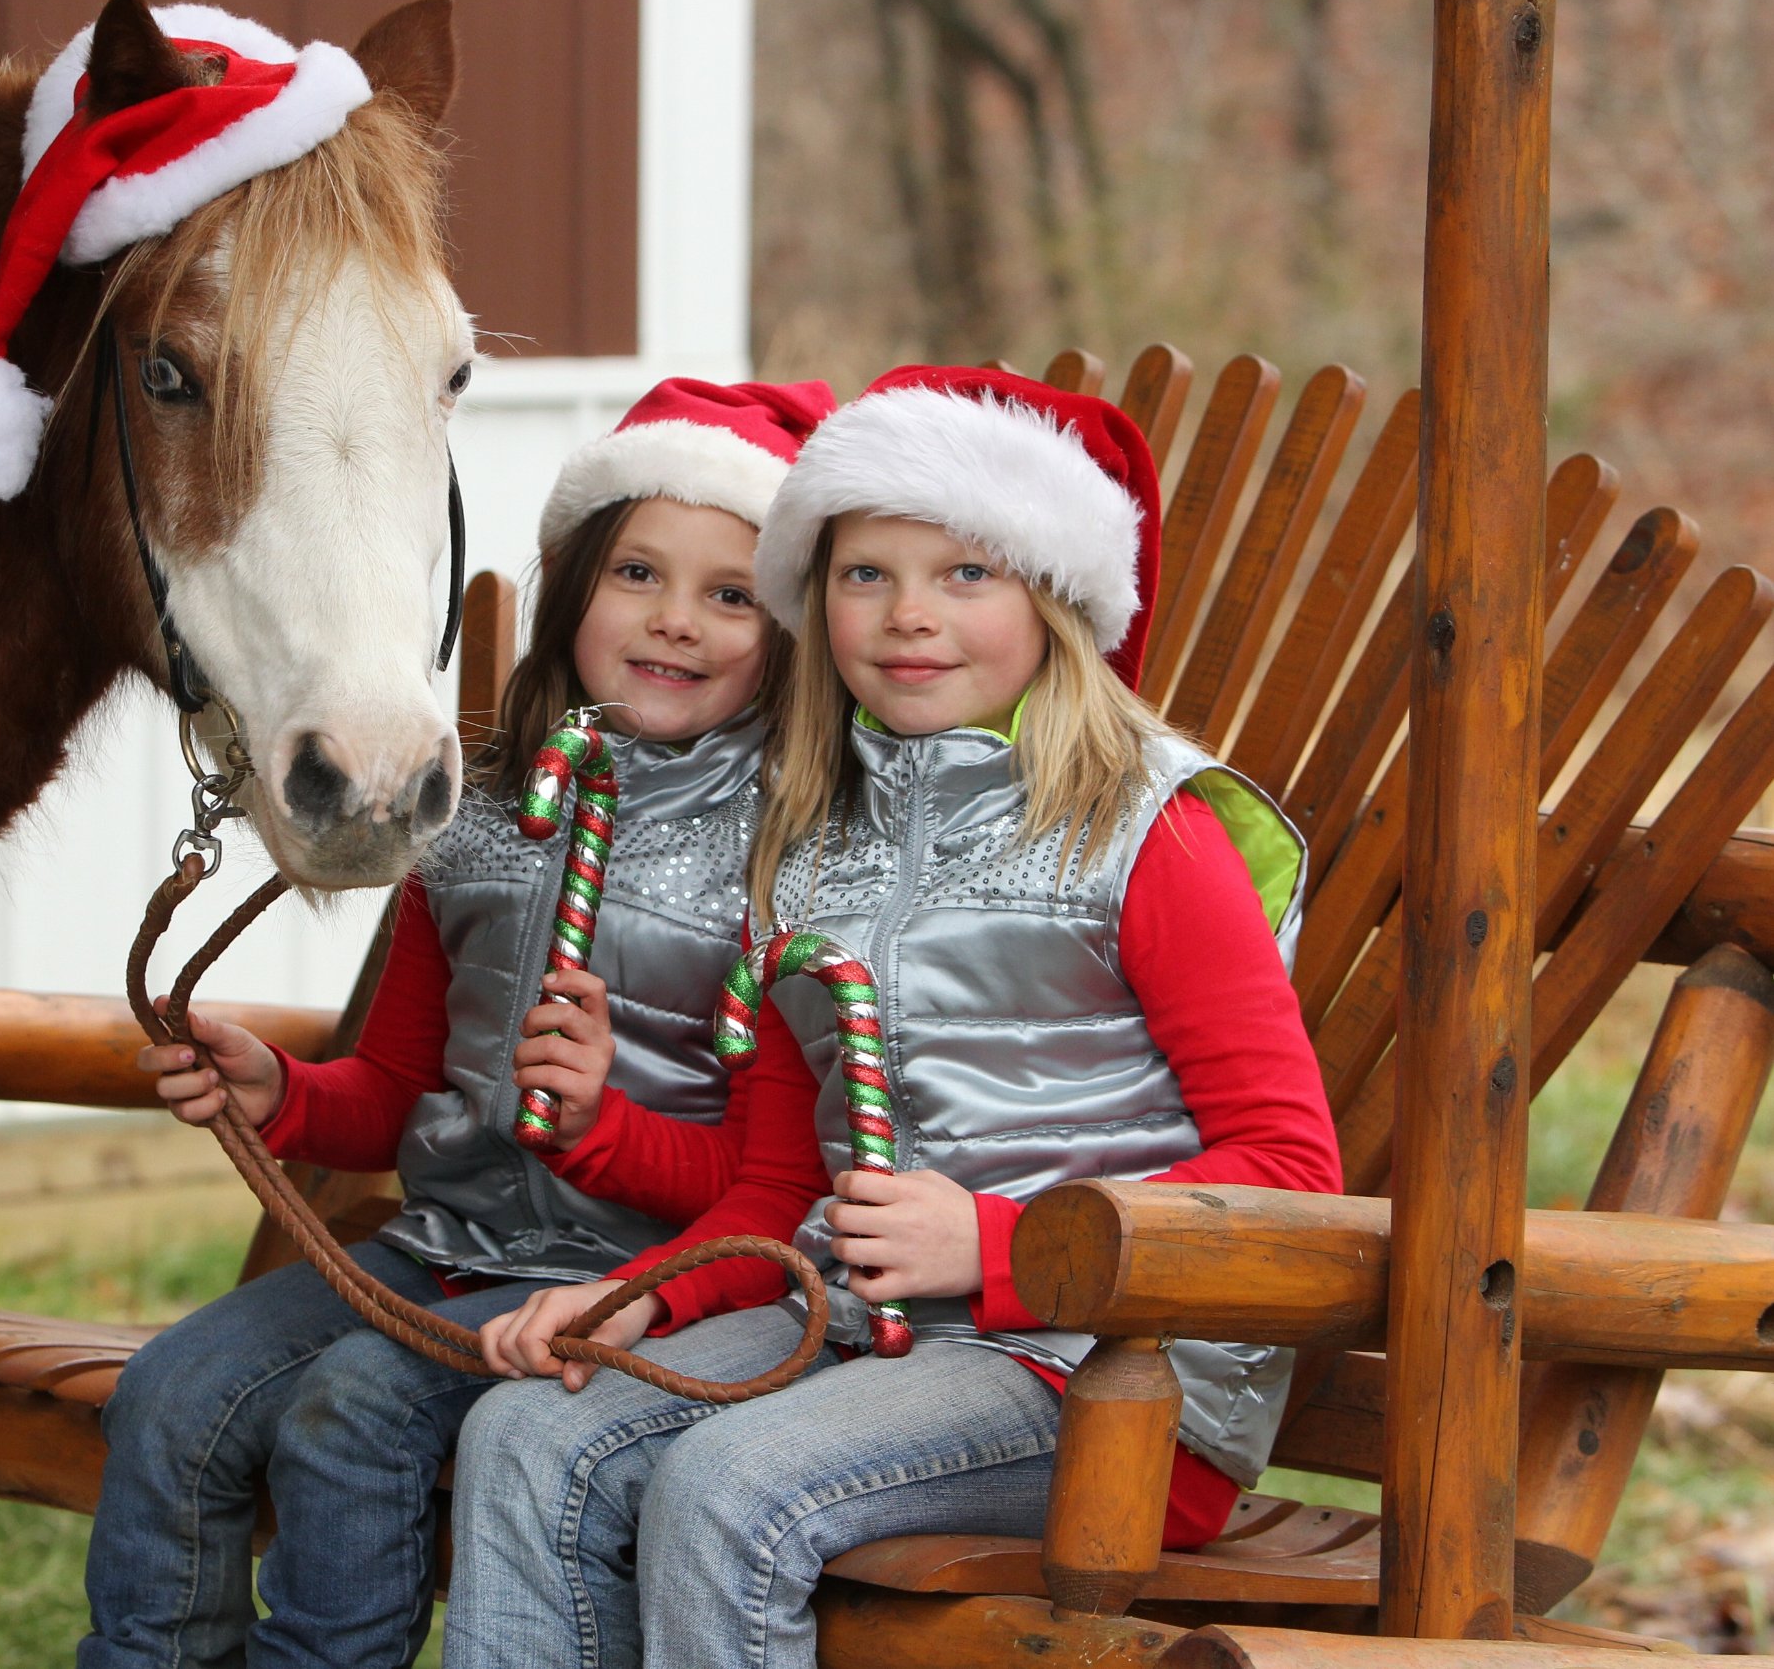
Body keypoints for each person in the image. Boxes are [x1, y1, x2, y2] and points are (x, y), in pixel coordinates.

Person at [444, 367, 1345, 1669]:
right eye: (867, 574)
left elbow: (1290, 1173)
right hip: (864, 1327)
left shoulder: (1149, 828)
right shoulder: (811, 841)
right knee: (524, 1438)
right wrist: (646, 1295)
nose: (912, 615)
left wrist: (994, 1240)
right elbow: (776, 1183)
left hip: (1111, 1377)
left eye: (967, 574)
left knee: (729, 1486)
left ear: (1056, 599)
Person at [77, 378, 836, 1669]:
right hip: (443, 1243)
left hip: (644, 1288)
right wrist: (288, 1096)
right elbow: (396, 1089)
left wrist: (604, 1128)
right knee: (173, 1393)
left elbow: (773, 1192)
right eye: (638, 571)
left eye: (730, 593)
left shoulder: (792, 863)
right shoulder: (479, 822)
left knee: (352, 1410)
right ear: (570, 587)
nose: (673, 620)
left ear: (788, 632)